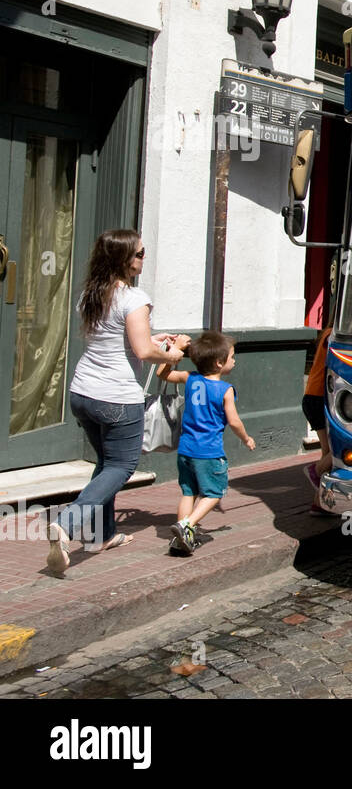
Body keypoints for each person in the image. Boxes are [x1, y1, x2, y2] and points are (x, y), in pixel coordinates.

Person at [46, 230, 187, 574]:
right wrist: (172, 352)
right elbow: (142, 352)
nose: (143, 259)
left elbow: (115, 338)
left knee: (106, 462)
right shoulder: (134, 298)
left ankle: (103, 535)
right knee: (121, 467)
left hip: (82, 393)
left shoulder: (91, 295)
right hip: (116, 397)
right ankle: (67, 522)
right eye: (139, 254)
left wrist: (153, 339)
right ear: (123, 259)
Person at [159, 331, 255, 555]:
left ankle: (182, 537)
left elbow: (163, 373)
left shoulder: (189, 378)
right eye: (232, 357)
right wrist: (246, 438)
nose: (234, 360)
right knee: (214, 493)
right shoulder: (225, 390)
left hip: (186, 449)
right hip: (208, 452)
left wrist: (174, 350)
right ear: (220, 363)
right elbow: (233, 421)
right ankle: (187, 526)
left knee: (188, 493)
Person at [301, 326, 333, 515]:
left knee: (328, 452)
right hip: (320, 398)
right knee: (335, 453)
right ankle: (315, 471)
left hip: (314, 397)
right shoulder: (333, 335)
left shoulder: (327, 332)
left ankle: (320, 504)